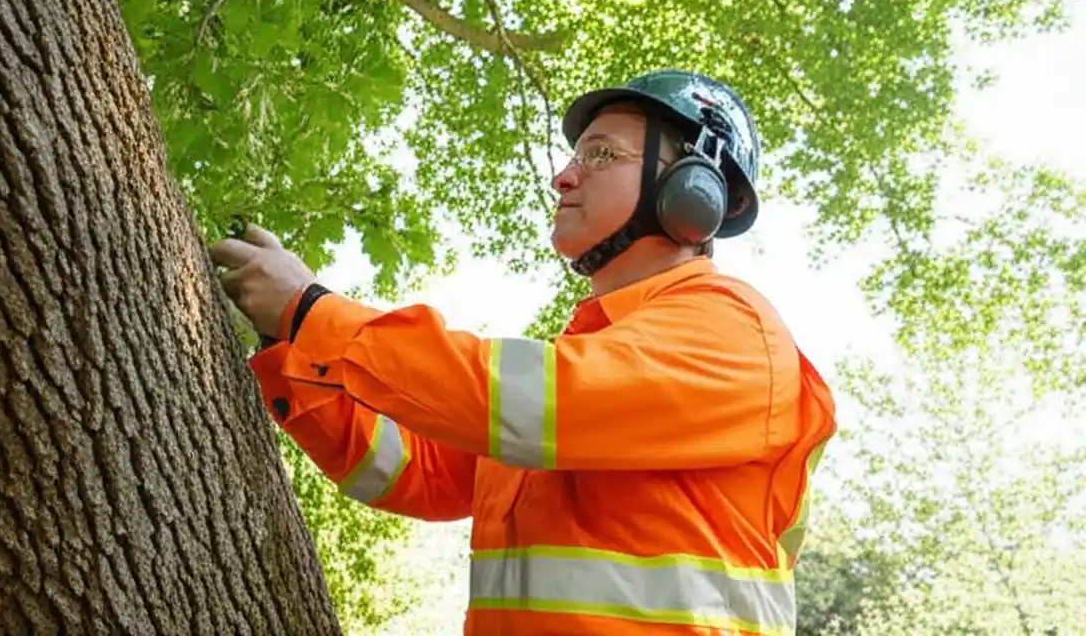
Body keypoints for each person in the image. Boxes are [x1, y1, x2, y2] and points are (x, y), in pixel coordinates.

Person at [210, 69, 838, 636]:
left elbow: (510, 397)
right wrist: (294, 348)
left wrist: (312, 312)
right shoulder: (566, 388)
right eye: (574, 155)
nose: (564, 175)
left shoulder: (732, 330)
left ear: (693, 189)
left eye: (601, 154)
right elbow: (412, 473)